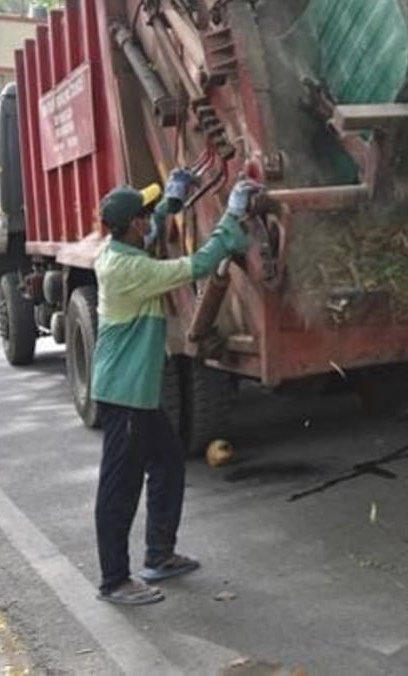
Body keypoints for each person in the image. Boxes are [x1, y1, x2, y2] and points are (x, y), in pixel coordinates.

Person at [92, 171, 259, 604]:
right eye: (144, 216)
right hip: (124, 396)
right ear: (129, 225)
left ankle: (159, 555)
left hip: (139, 395)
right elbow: (198, 266)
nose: (149, 222)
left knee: (168, 464)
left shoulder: (117, 248)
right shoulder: (129, 269)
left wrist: (170, 202)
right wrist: (231, 216)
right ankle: (114, 581)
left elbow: (147, 235)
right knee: (119, 487)